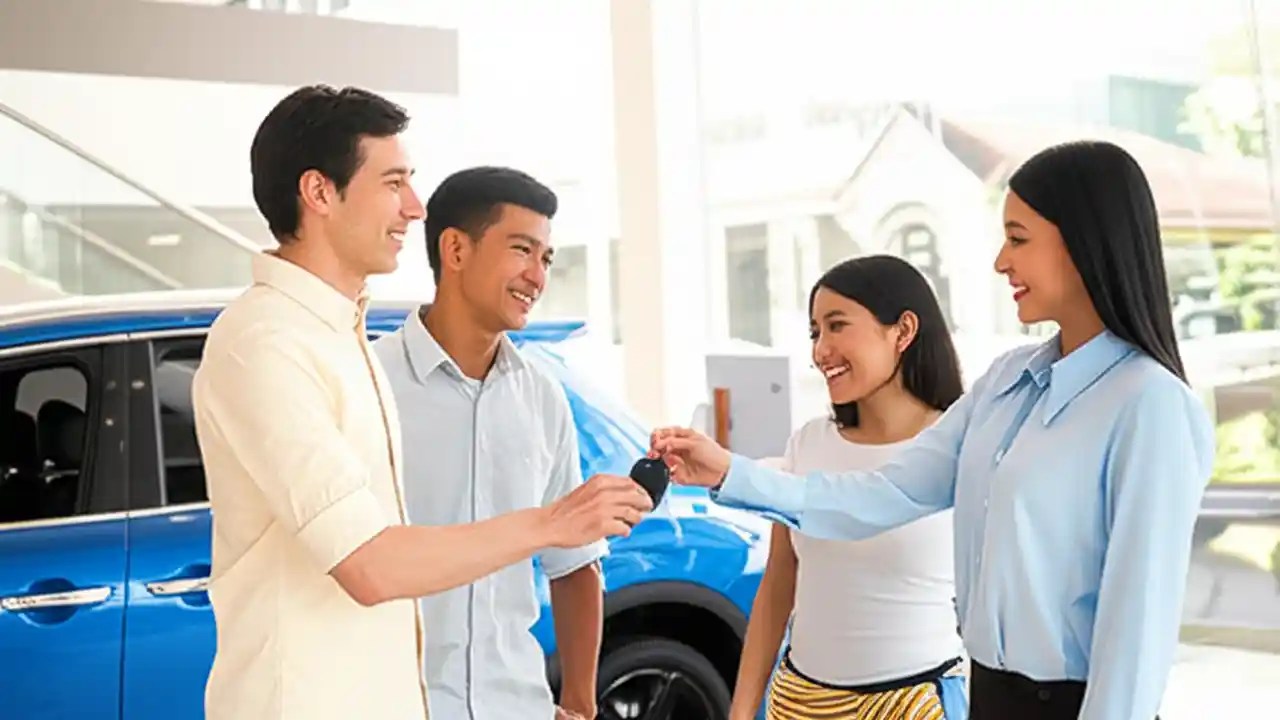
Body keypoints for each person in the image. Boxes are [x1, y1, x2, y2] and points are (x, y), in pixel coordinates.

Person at [647, 140, 1214, 720]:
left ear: (1084, 241)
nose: (1001, 261)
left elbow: (1135, 637)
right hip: (988, 697)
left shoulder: (1151, 406)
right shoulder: (1007, 382)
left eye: (1018, 238)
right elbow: (882, 492)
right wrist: (731, 473)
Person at [192, 88, 651, 720]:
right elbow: (370, 565)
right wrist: (552, 522)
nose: (414, 207)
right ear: (320, 193)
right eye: (394, 183)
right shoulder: (263, 343)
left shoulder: (339, 338)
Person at [372, 166, 607, 720]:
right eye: (522, 250)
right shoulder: (370, 383)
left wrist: (579, 702)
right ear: (455, 249)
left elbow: (574, 565)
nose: (537, 276)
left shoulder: (543, 397)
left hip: (516, 705)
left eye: (546, 258)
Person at [730, 255, 969, 720]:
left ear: (902, 331)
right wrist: (741, 710)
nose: (821, 351)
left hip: (915, 705)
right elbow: (779, 583)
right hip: (801, 702)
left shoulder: (959, 446)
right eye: (816, 332)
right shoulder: (809, 443)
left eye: (837, 325)